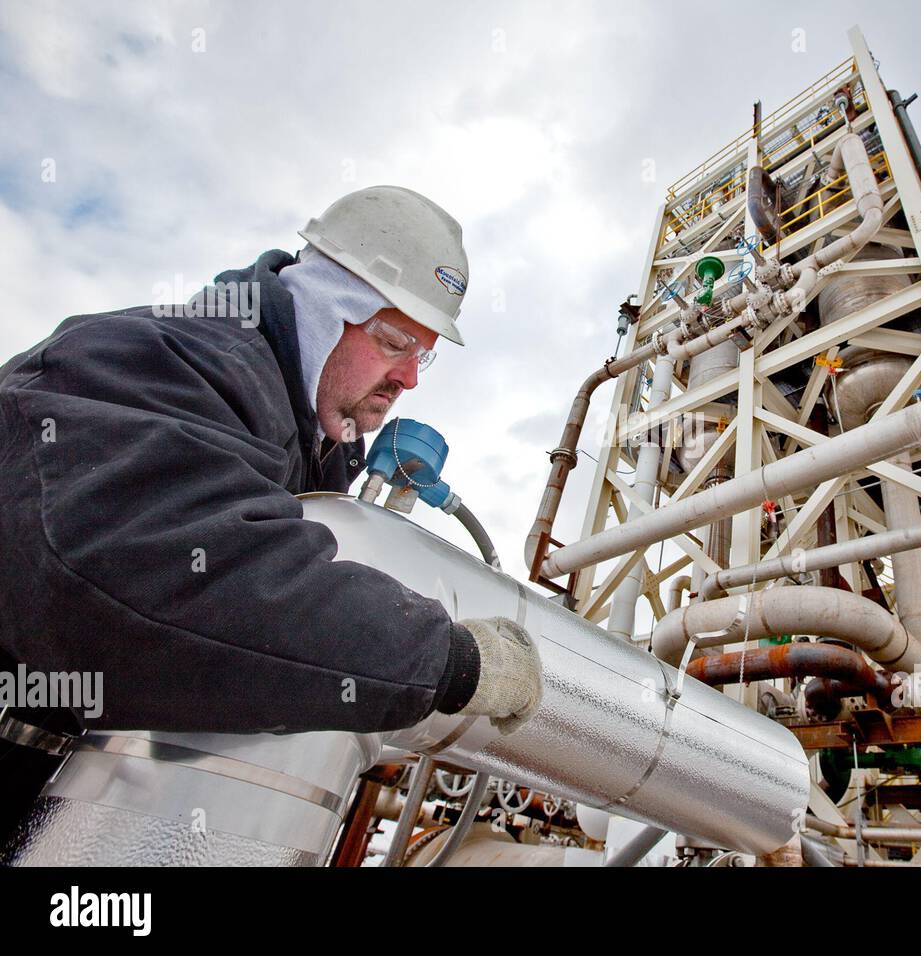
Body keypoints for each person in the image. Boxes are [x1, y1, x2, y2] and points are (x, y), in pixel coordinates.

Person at [0, 185, 543, 843]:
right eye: (396, 341)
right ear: (321, 308)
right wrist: (451, 662)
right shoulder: (165, 359)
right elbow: (147, 580)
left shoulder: (309, 446)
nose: (410, 379)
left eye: (422, 354)